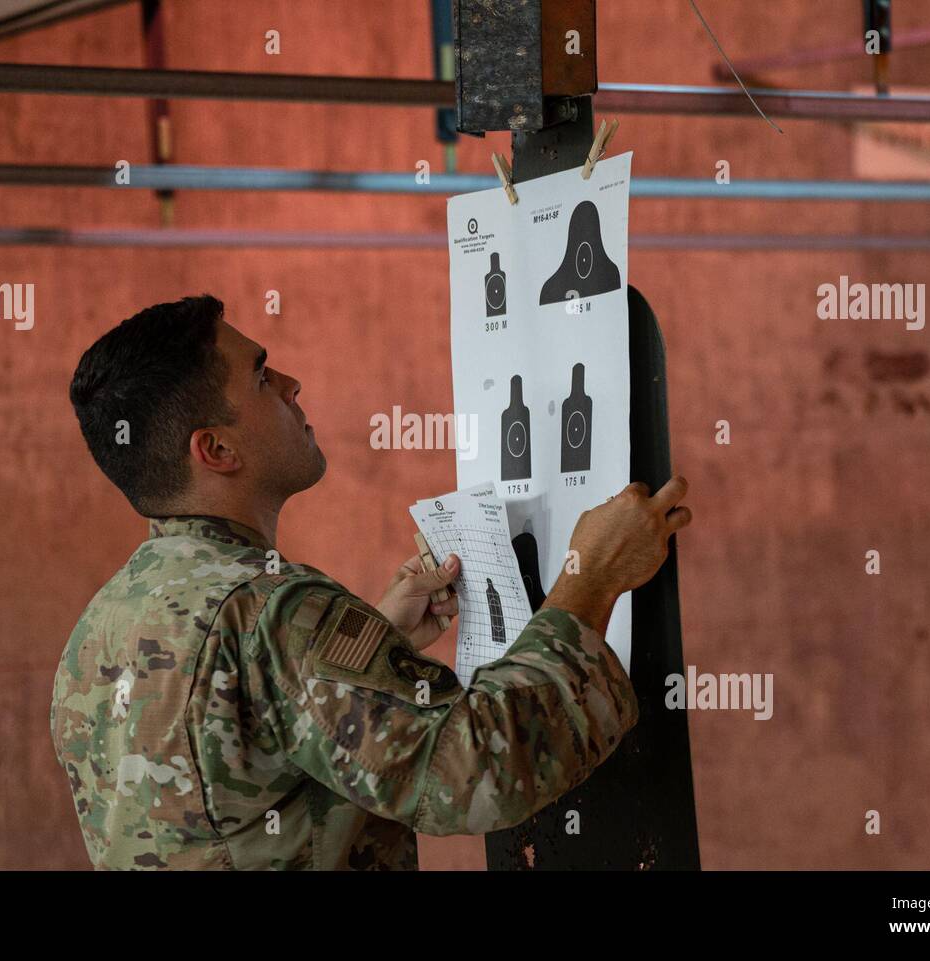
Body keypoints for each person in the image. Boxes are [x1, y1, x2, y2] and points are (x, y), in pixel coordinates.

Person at [50, 293, 692, 870]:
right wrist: (591, 578)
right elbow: (475, 773)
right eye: (262, 374)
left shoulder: (100, 627)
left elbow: (243, 765)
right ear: (216, 451)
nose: (291, 383)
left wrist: (373, 643)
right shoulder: (271, 614)